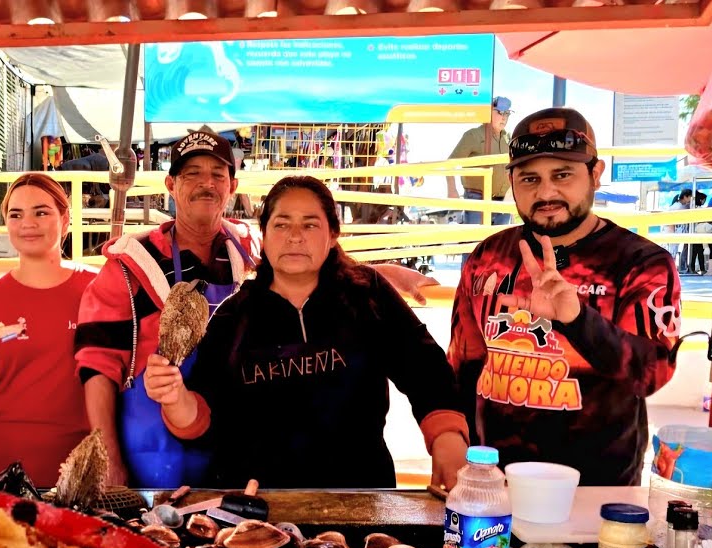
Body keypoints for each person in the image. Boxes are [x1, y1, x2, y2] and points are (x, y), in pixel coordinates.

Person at [75, 129, 438, 488]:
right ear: (171, 185)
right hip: (156, 450)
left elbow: (302, 262)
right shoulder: (129, 266)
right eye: (192, 174)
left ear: (233, 187)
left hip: (230, 458)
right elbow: (98, 364)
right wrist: (109, 457)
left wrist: (374, 274)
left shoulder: (245, 249)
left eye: (218, 174)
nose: (207, 184)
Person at [143, 176, 469, 490]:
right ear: (265, 237)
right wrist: (174, 398)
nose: (295, 236)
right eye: (282, 224)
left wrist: (447, 437)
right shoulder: (233, 316)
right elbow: (204, 419)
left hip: (360, 499)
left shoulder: (367, 294)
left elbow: (425, 369)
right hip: (256, 508)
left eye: (310, 224)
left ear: (333, 235)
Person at [448, 108, 682, 487]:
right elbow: (462, 369)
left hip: (597, 492)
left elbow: (652, 373)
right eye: (529, 178)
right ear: (511, 181)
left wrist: (577, 320)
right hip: (495, 487)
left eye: (562, 175)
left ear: (595, 173)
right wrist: (458, 453)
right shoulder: (487, 257)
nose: (545, 193)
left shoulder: (641, 262)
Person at [0, 174, 96, 487]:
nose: (27, 223)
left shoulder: (98, 290)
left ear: (65, 218)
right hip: (5, 473)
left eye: (41, 212)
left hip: (83, 471)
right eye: (16, 215)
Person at [448, 96, 514, 226]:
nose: (504, 117)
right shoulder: (473, 135)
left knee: (500, 242)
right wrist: (452, 190)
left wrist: (511, 192)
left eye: (507, 113)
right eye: (500, 112)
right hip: (478, 199)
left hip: (503, 200)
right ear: (488, 112)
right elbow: (450, 163)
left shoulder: (508, 138)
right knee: (476, 240)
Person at [668, 189, 692, 272]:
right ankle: (672, 269)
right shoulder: (677, 207)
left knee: (676, 250)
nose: (690, 200)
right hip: (675, 232)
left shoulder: (683, 205)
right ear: (685, 197)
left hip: (679, 232)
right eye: (690, 197)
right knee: (673, 251)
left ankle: (675, 268)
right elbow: (671, 222)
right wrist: (672, 233)